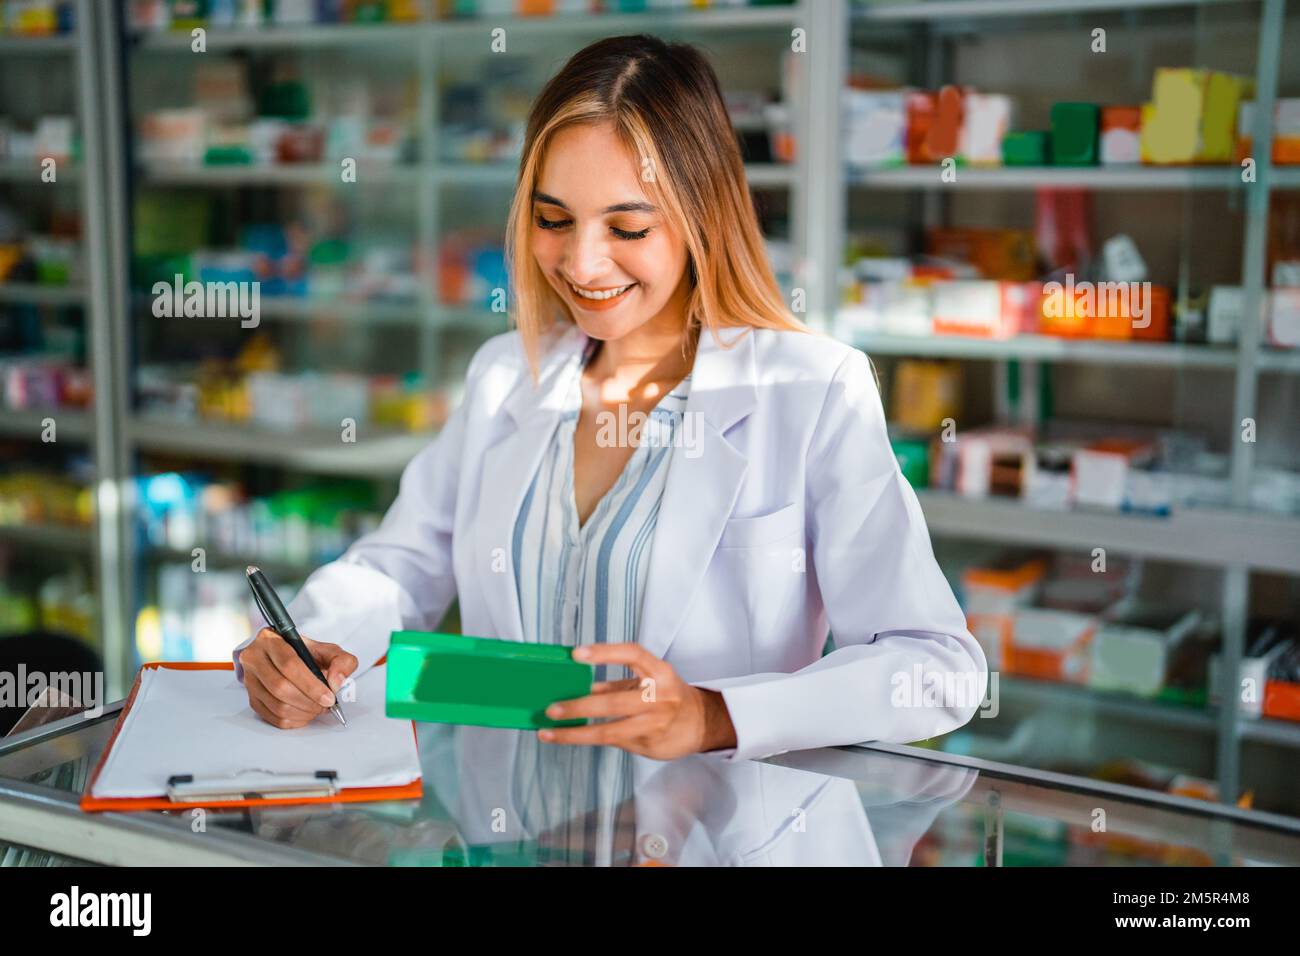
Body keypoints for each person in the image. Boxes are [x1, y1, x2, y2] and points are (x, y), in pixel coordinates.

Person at [234, 34, 987, 766]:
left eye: (627, 226)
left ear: (703, 219)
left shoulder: (810, 390)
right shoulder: (508, 376)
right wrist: (309, 644)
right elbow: (398, 570)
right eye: (552, 219)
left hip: (710, 842)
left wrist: (715, 716)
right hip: (512, 834)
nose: (581, 262)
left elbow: (937, 666)